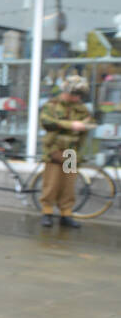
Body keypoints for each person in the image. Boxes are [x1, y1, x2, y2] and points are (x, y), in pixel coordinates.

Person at [38, 74, 95, 228]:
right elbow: (46, 122)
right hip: (55, 150)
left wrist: (85, 126)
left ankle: (66, 214)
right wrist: (72, 125)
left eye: (79, 95)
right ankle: (47, 212)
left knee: (68, 185)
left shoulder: (82, 108)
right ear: (67, 92)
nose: (77, 98)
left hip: (71, 152)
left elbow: (91, 123)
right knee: (52, 183)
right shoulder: (52, 105)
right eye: (75, 94)